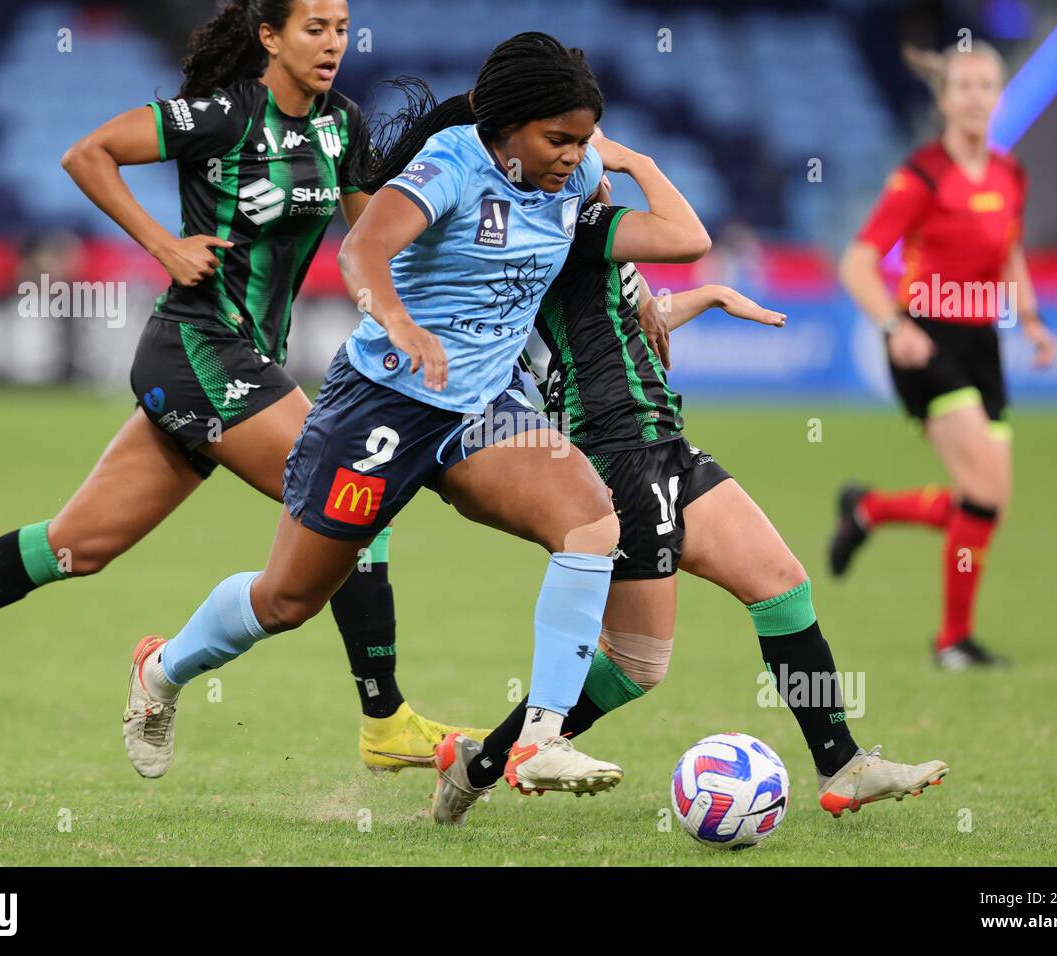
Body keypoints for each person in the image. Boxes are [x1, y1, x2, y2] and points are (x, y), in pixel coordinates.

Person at [0, 0, 484, 766]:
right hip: (194, 348)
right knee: (353, 490)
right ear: (270, 36)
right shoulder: (223, 115)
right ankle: (385, 722)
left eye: (341, 27)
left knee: (77, 546)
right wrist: (164, 244)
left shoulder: (342, 125)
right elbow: (87, 153)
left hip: (241, 362)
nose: (333, 44)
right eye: (314, 28)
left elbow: (370, 243)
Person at [120, 33, 695, 793]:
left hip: (483, 408)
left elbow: (654, 242)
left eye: (585, 138)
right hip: (381, 406)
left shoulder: (580, 170)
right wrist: (398, 323)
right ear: (506, 125)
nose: (573, 154)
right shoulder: (452, 162)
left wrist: (635, 210)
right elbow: (362, 251)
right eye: (559, 137)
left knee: (590, 521)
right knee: (288, 598)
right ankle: (161, 671)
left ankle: (540, 738)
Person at [431, 155, 950, 825]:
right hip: (619, 453)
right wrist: (638, 160)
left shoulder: (580, 232)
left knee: (782, 584)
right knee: (637, 665)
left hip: (665, 443)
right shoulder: (572, 224)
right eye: (586, 150)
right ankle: (481, 764)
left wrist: (703, 299)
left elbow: (619, 325)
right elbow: (688, 235)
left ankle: (842, 763)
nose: (599, 166)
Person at [831, 42, 1057, 670]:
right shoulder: (921, 175)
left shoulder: (1011, 174)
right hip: (927, 340)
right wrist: (894, 324)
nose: (977, 95)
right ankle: (952, 642)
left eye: (987, 84)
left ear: (999, 95)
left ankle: (870, 508)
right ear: (943, 98)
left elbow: (1008, 251)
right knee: (983, 492)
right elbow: (856, 261)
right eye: (964, 85)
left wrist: (1032, 320)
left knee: (989, 502)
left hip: (983, 343)